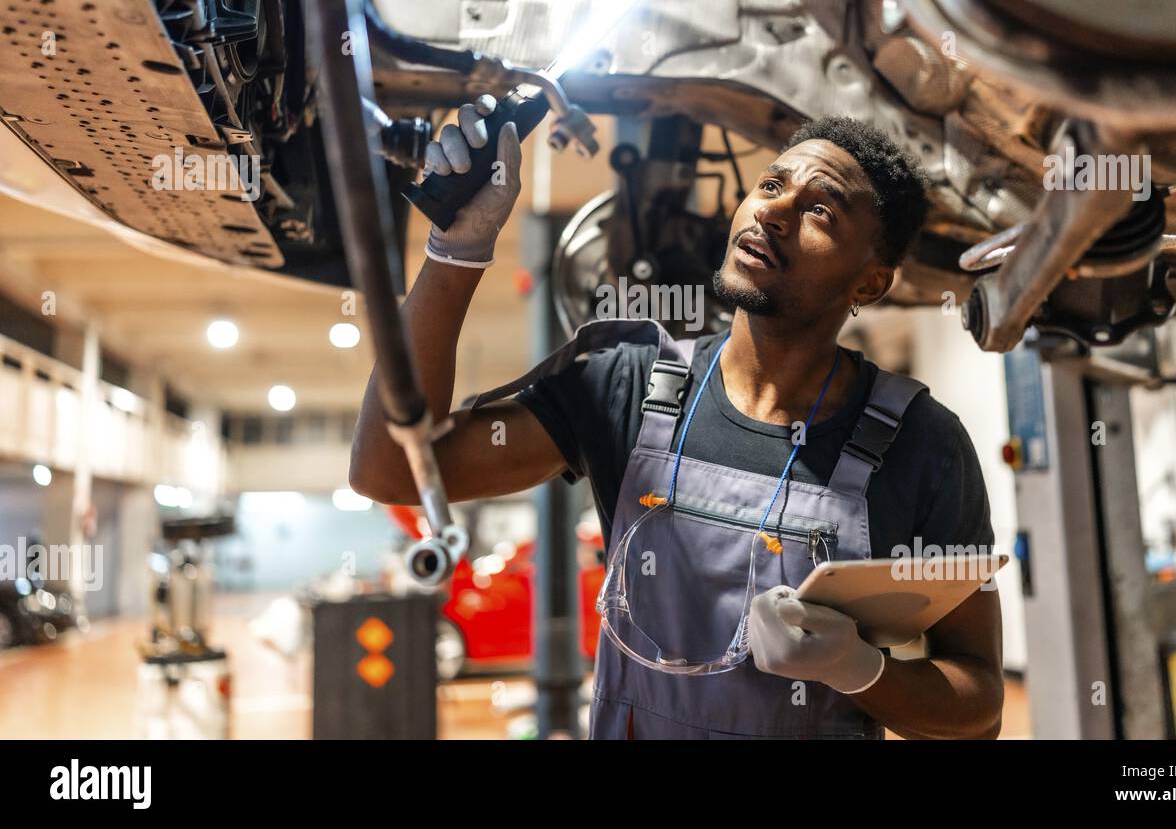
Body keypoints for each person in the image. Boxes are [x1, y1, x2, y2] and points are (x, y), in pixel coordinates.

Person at [351, 94, 1003, 739]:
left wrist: (863, 671)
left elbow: (980, 708)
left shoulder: (923, 444)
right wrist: (455, 252)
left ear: (870, 284)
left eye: (820, 211)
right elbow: (393, 472)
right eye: (772, 184)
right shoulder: (623, 379)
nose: (774, 210)